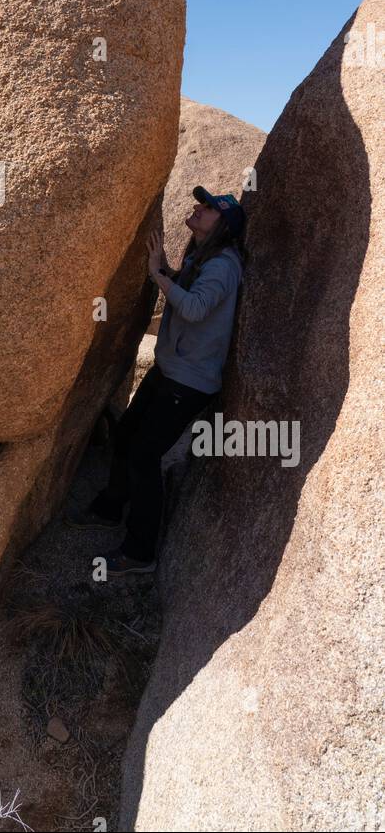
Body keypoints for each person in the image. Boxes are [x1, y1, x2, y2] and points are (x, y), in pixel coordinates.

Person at [69, 186, 246, 576]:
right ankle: (109, 508)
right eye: (201, 203)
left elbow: (197, 308)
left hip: (189, 383)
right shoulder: (203, 256)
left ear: (225, 226)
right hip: (171, 369)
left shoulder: (223, 265)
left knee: (145, 456)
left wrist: (157, 277)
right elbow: (190, 291)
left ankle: (139, 551)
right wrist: (166, 270)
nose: (199, 208)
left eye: (209, 209)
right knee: (129, 433)